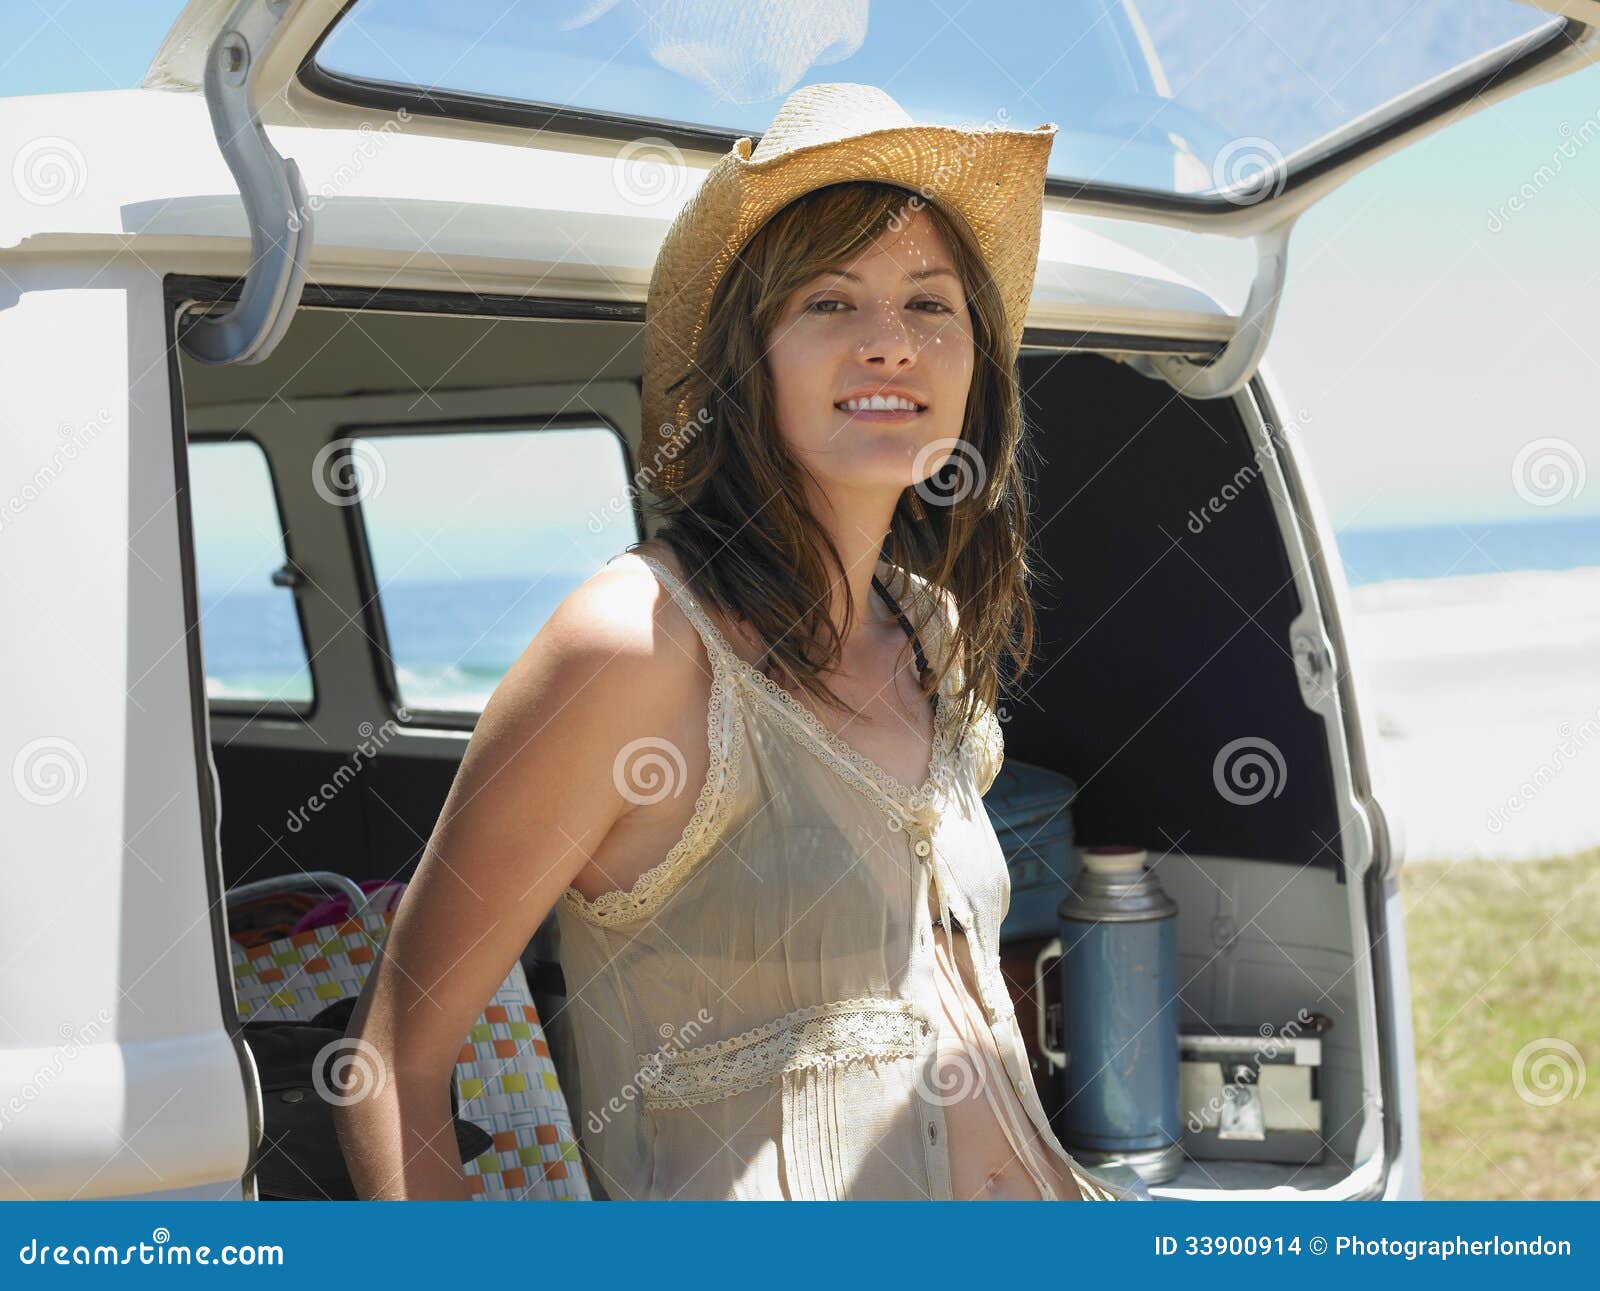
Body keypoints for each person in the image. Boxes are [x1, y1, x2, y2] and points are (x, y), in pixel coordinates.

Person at [335, 82, 1141, 1201]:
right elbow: (393, 1058)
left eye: (930, 304)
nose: (889, 345)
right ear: (744, 365)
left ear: (975, 362)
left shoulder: (933, 629)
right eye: (827, 302)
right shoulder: (635, 648)